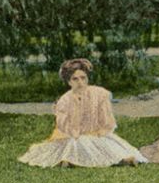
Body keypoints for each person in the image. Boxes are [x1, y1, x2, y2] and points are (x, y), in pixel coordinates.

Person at [18, 58, 146, 168]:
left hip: (98, 135)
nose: (80, 83)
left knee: (104, 145)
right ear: (69, 82)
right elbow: (64, 126)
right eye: (75, 79)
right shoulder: (65, 100)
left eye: (83, 78)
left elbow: (107, 122)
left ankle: (121, 159)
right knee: (76, 143)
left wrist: (97, 133)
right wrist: (77, 133)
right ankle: (70, 160)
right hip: (73, 136)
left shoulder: (100, 94)